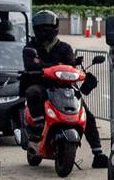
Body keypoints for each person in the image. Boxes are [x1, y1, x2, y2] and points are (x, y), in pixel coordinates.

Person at [23, 10, 108, 168]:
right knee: (33, 92)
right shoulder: (30, 47)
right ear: (35, 29)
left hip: (64, 87)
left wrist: (85, 76)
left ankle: (98, 153)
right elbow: (31, 65)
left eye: (48, 27)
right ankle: (38, 125)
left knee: (87, 115)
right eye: (41, 28)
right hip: (42, 85)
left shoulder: (65, 47)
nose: (45, 31)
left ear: (55, 28)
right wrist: (49, 68)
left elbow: (71, 65)